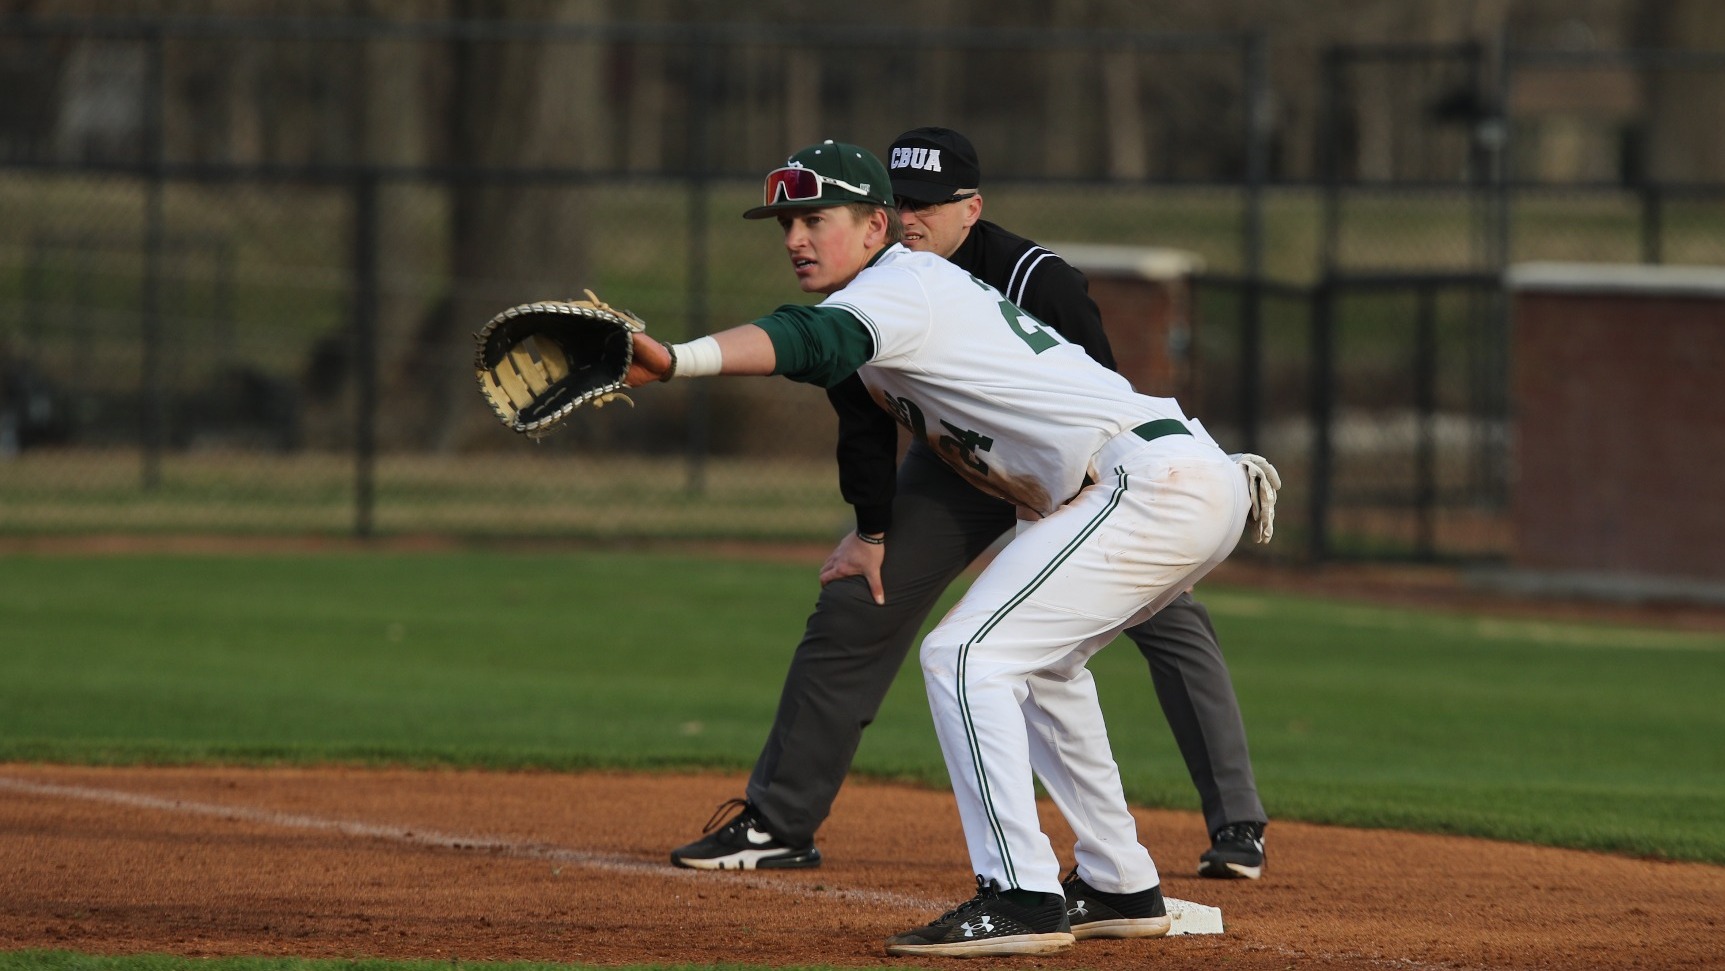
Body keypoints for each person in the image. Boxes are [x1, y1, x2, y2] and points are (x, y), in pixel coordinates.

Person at [625, 139, 1271, 957]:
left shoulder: (903, 285)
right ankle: (1116, 880)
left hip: (1148, 480)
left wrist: (678, 359)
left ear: (874, 226)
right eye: (785, 223)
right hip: (1162, 477)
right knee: (1043, 669)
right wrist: (871, 532)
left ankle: (1021, 896)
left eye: (815, 219)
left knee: (963, 655)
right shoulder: (898, 294)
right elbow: (846, 387)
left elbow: (807, 341)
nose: (794, 238)